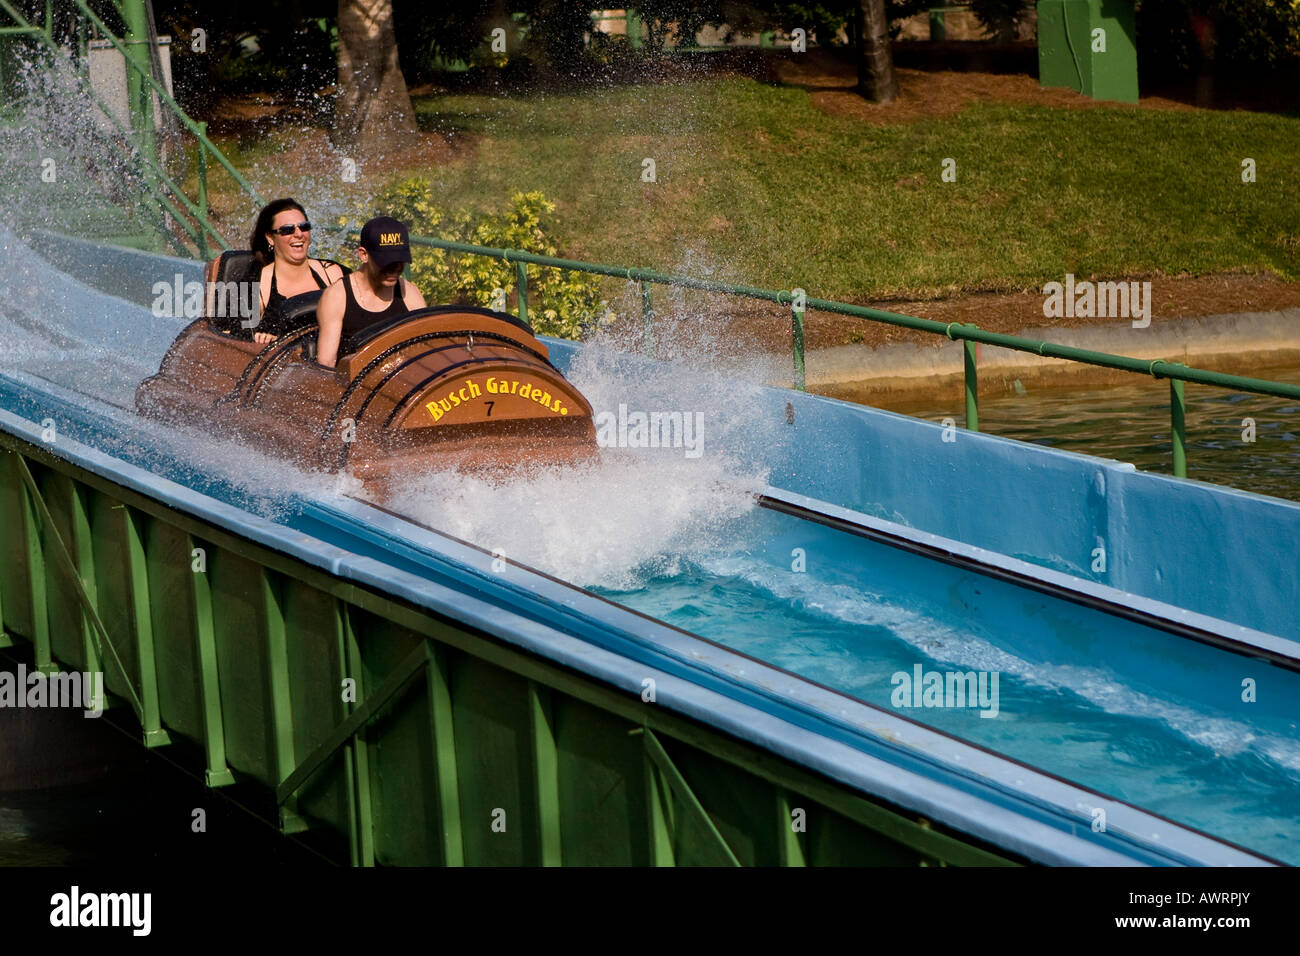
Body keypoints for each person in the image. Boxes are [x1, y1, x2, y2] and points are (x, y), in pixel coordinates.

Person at [315, 216, 428, 368]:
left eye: (400, 261)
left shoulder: (409, 293)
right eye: (387, 261)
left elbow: (426, 351)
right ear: (364, 255)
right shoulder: (336, 297)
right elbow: (326, 365)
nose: (395, 269)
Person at [248, 198, 346, 344]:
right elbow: (230, 338)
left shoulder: (333, 273)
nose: (299, 234)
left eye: (304, 227)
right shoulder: (256, 285)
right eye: (287, 230)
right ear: (270, 238)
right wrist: (265, 340)